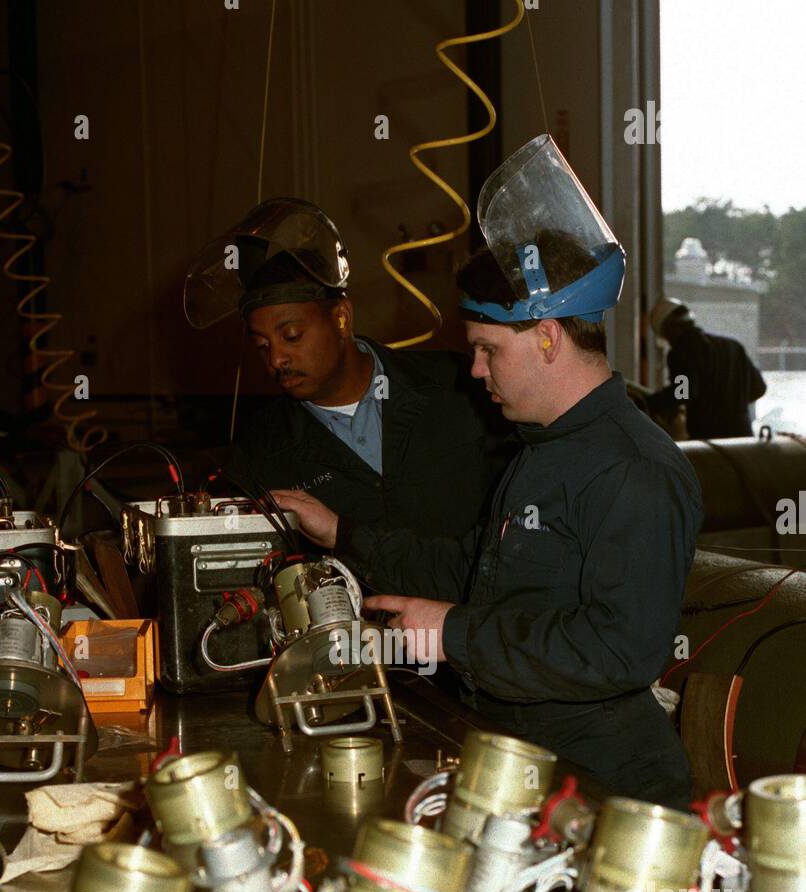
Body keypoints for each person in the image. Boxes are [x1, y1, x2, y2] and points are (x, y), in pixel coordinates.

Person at [271, 139, 705, 810]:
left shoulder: (634, 469)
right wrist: (340, 533)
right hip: (526, 763)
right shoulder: (541, 451)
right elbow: (470, 569)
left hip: (607, 789)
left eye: (486, 351)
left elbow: (620, 649)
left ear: (547, 338)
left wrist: (451, 633)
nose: (475, 372)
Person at [184, 198, 515, 536]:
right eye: (262, 346)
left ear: (341, 317)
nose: (277, 359)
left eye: (292, 336)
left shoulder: (460, 385)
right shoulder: (262, 452)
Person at [647, 298, 766, 439]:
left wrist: (652, 402)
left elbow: (684, 392)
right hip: (742, 440)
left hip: (709, 442)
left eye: (666, 335)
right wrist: (731, 403)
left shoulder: (681, 352)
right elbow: (759, 388)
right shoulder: (733, 347)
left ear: (671, 328)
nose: (669, 341)